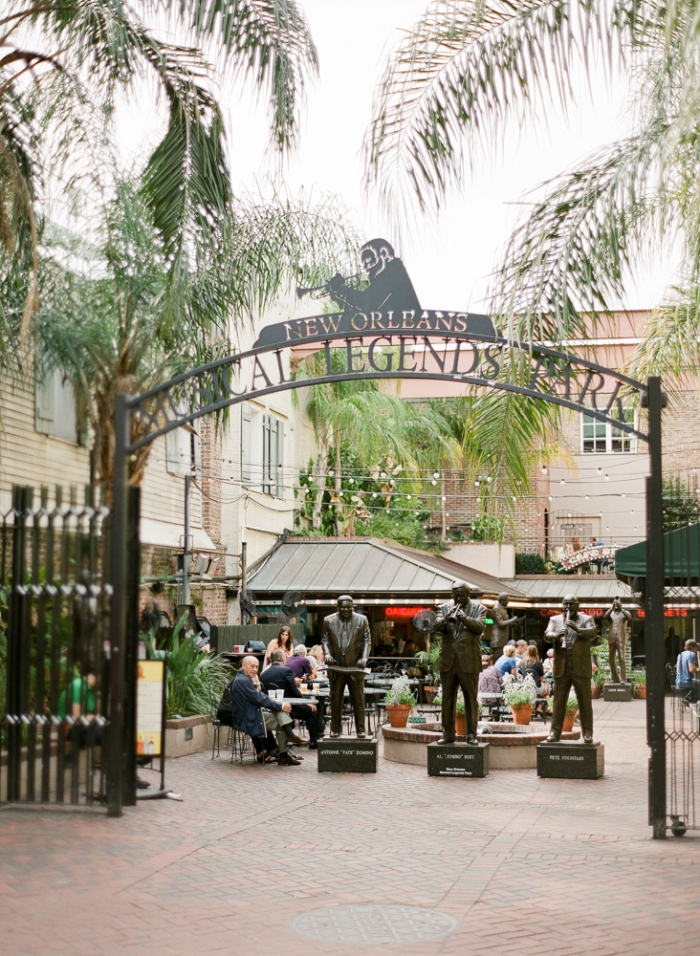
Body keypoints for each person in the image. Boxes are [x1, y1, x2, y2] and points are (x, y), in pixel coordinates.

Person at [433, 581, 486, 745]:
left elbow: (480, 628)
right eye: (455, 596)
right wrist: (445, 619)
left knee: (471, 698)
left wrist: (465, 618)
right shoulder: (444, 607)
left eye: (461, 595)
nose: (458, 598)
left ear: (468, 594)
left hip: (469, 661)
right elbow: (435, 626)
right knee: (447, 699)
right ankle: (448, 734)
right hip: (448, 661)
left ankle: (471, 735)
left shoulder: (480, 608)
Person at [544, 595, 599, 744]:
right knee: (558, 702)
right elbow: (546, 635)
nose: (568, 607)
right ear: (562, 605)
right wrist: (555, 635)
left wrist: (577, 629)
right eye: (566, 604)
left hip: (580, 667)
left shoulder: (586, 619)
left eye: (572, 604)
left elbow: (593, 633)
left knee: (585, 702)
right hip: (562, 667)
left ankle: (587, 733)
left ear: (577, 605)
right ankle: (555, 732)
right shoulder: (555, 620)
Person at [230, 656, 300, 766]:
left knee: (281, 714)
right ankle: (284, 753)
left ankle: (286, 748)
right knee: (282, 719)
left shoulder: (244, 678)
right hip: (249, 718)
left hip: (252, 713)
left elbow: (259, 696)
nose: (255, 669)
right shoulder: (243, 681)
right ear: (243, 666)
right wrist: (281, 706)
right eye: (252, 666)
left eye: (257, 667)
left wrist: (257, 683)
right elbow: (259, 698)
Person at [326, 238, 421, 316]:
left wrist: (343, 290)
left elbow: (369, 301)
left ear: (383, 254)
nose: (366, 267)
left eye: (368, 260)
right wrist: (337, 295)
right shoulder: (390, 273)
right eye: (364, 263)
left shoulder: (393, 271)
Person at [322, 595, 372, 738]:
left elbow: (367, 640)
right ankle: (335, 730)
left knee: (358, 700)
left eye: (348, 607)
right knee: (335, 700)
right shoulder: (328, 620)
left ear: (353, 607)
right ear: (337, 608)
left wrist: (364, 657)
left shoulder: (362, 620)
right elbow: (324, 639)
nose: (345, 610)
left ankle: (361, 730)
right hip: (336, 667)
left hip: (356, 667)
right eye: (342, 607)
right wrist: (327, 654)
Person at [261, 650, 324, 748]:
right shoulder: (286, 670)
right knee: (312, 711)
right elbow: (295, 691)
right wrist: (306, 702)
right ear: (283, 659)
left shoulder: (263, 674)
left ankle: (289, 736)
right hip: (289, 706)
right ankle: (314, 740)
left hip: (270, 708)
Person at [603, 596, 632, 683]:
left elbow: (629, 617)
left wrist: (621, 608)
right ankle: (614, 677)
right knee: (611, 659)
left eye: (617, 604)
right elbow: (605, 616)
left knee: (622, 658)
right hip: (612, 638)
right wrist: (611, 608)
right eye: (615, 604)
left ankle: (623, 678)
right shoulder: (610, 613)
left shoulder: (624, 613)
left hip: (620, 639)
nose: (616, 605)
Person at [490, 593, 524, 657]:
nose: (508, 602)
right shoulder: (496, 608)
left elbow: (506, 623)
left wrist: (514, 622)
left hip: (502, 639)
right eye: (507, 600)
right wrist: (512, 620)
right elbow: (501, 623)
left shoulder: (503, 608)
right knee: (498, 658)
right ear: (502, 601)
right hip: (498, 640)